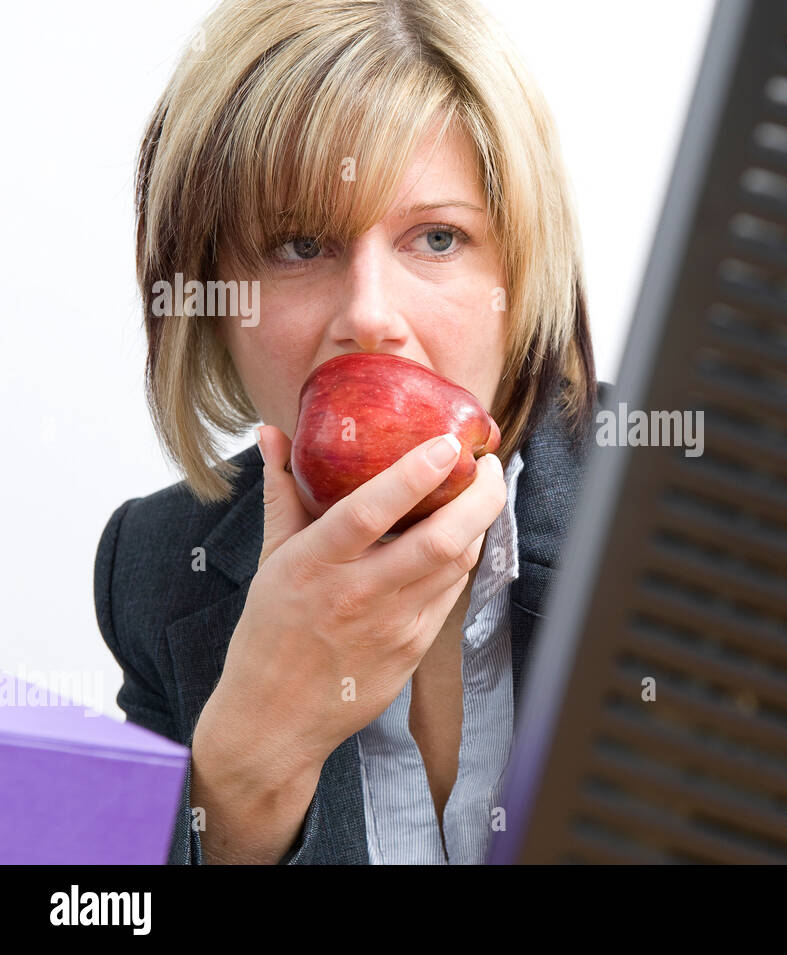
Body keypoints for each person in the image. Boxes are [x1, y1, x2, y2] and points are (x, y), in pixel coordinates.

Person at [93, 0, 603, 864]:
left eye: (438, 238)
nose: (370, 317)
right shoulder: (154, 570)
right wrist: (249, 763)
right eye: (299, 244)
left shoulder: (697, 511)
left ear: (518, 270)